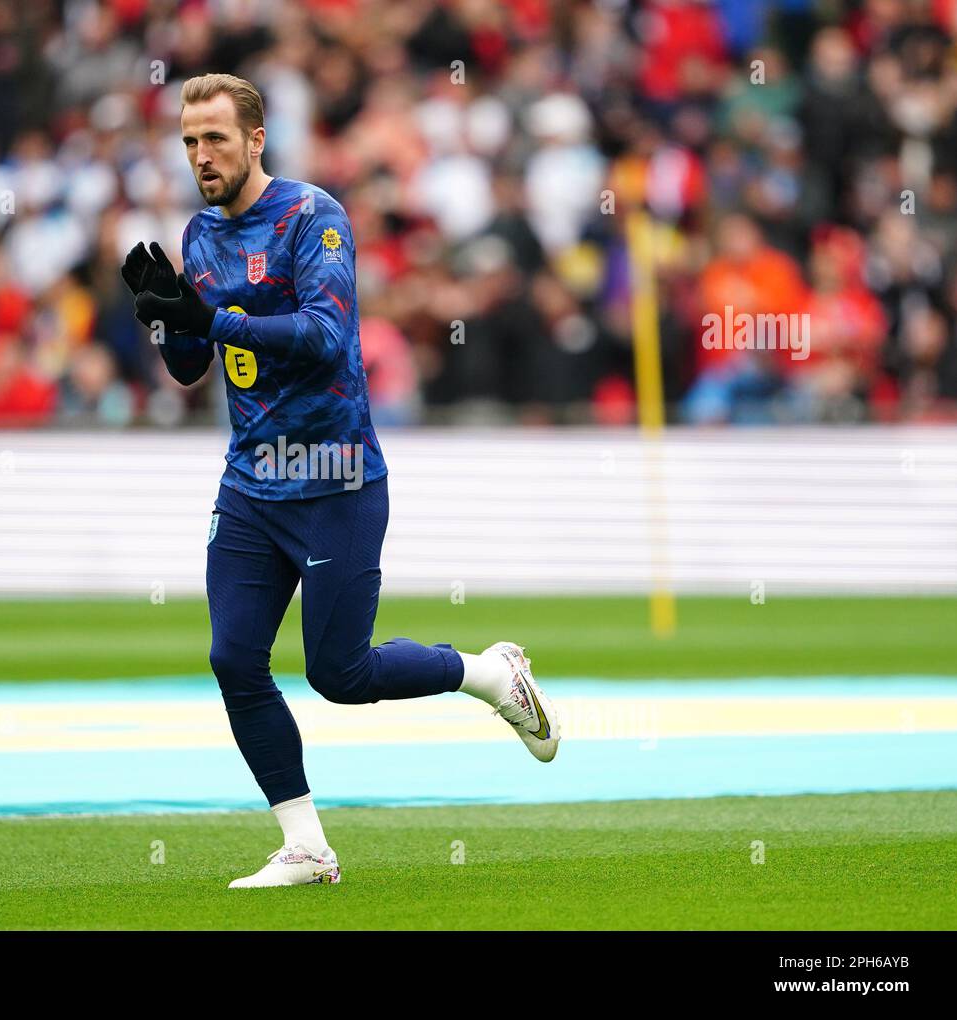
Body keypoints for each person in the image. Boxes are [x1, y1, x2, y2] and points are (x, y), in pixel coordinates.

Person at [120, 73, 559, 888]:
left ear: (256, 139)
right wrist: (163, 317)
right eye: (188, 141)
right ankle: (306, 846)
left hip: (335, 474)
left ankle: (490, 673)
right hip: (252, 480)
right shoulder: (200, 234)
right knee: (232, 658)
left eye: (215, 138)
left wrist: (208, 318)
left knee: (340, 675)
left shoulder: (311, 216)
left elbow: (327, 337)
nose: (200, 155)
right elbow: (190, 367)